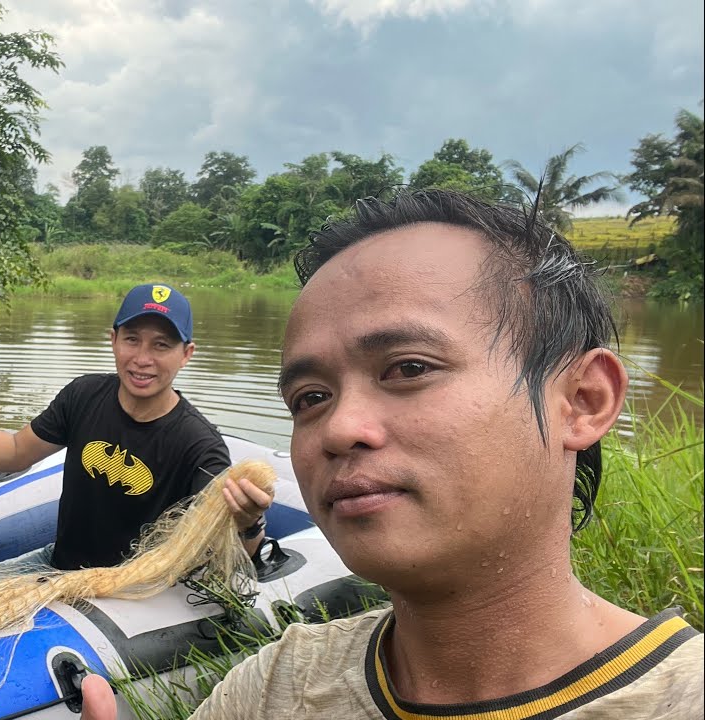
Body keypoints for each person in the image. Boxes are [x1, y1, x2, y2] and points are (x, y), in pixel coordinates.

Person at [80, 190, 703, 720]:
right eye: (311, 396)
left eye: (409, 368)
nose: (339, 428)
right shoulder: (275, 687)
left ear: (583, 400)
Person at [0, 282, 272, 572]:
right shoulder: (84, 395)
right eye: (132, 339)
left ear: (187, 354)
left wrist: (250, 521)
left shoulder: (198, 445)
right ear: (113, 340)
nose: (142, 359)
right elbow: (14, 452)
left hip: (135, 595)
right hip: (58, 566)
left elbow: (232, 554)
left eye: (161, 345)